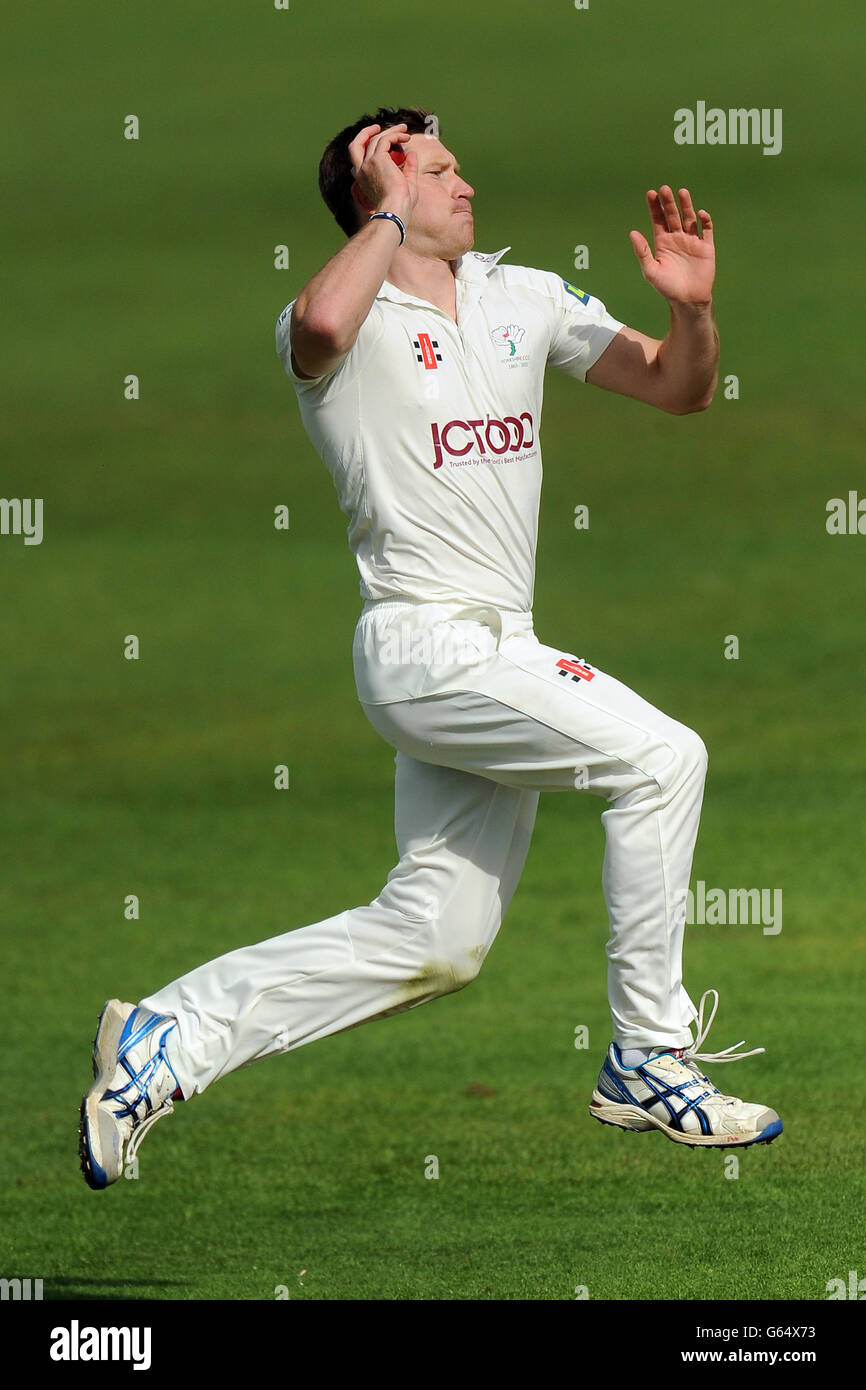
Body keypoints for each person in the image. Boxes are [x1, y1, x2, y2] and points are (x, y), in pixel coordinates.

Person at [79, 105, 781, 1190]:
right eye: (432, 171)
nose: (463, 184)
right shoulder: (336, 321)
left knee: (435, 937)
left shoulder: (521, 295)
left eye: (455, 166)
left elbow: (677, 388)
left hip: (499, 649)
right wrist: (386, 213)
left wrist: (691, 315)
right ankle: (647, 1054)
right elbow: (316, 324)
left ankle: (167, 1037)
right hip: (425, 646)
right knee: (663, 756)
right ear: (380, 197)